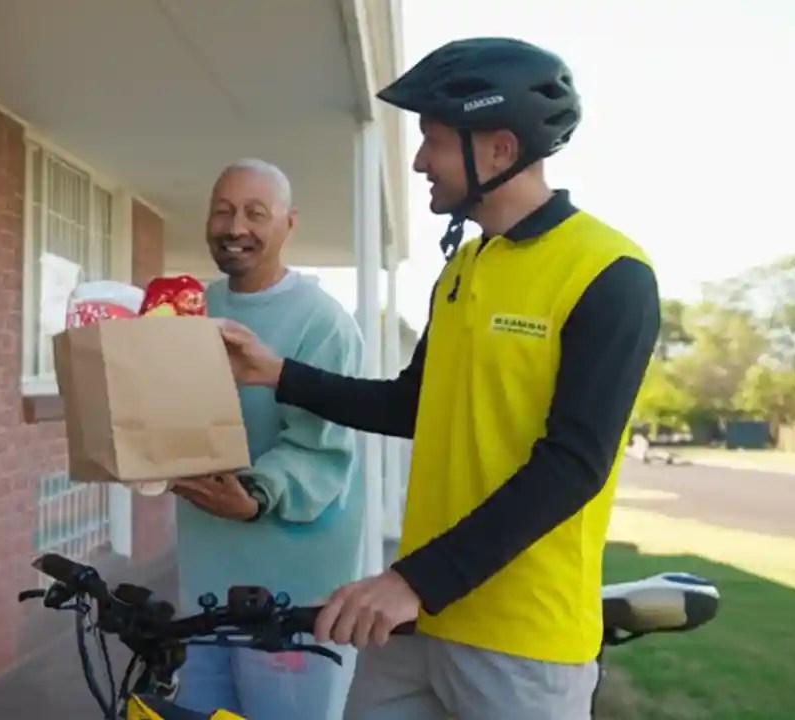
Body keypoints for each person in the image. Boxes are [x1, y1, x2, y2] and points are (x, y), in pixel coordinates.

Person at [216, 38, 662, 720]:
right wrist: (276, 374)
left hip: (522, 641)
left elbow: (574, 465)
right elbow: (412, 405)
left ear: (500, 151)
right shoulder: (462, 269)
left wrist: (411, 581)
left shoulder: (608, 274)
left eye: (434, 141)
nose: (421, 160)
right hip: (417, 621)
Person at [169, 158, 365, 719]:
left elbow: (321, 448)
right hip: (205, 582)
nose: (236, 228)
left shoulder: (322, 322)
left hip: (291, 595)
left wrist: (254, 496)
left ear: (289, 224)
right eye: (223, 211)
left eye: (256, 213)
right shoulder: (192, 309)